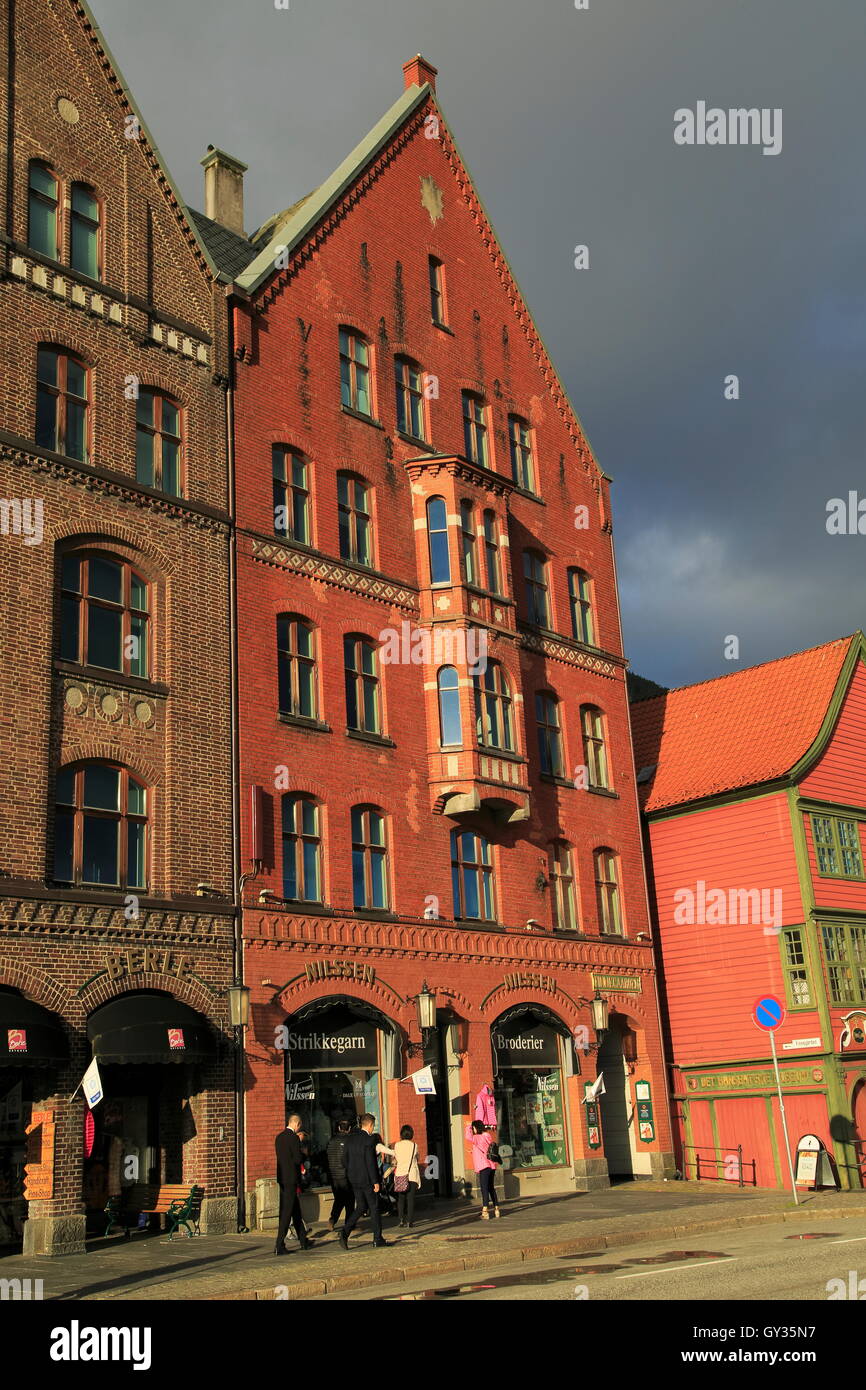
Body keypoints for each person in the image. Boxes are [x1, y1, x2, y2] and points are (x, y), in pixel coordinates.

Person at [339, 1113, 391, 1250]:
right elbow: (370, 1162)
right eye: (373, 1126)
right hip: (367, 1179)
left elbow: (344, 1159)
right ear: (370, 1125)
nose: (372, 1129)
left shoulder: (350, 1139)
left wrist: (351, 1171)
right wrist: (375, 1181)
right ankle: (377, 1238)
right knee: (374, 1208)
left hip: (354, 1179)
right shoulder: (369, 1140)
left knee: (361, 1207)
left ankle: (344, 1232)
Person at [274, 1112, 314, 1255]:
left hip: (282, 1178)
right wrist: (303, 1153)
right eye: (299, 1126)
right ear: (296, 1124)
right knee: (287, 1212)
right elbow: (297, 1159)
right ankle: (279, 1244)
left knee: (295, 1211)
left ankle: (303, 1240)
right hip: (291, 1179)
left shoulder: (279, 1137)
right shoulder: (294, 1138)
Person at [386, 1124, 421, 1228]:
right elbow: (417, 1158)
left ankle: (400, 1220)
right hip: (412, 1175)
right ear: (411, 1134)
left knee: (401, 1199)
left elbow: (395, 1159)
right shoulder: (415, 1145)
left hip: (401, 1174)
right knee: (410, 1199)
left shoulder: (397, 1145)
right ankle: (409, 1221)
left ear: (401, 1134)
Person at [466, 1119, 501, 1218]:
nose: (473, 1130)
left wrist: (468, 1126)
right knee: (491, 1187)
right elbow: (485, 1149)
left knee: (484, 1188)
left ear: (475, 1128)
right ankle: (497, 1209)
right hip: (492, 1165)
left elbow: (468, 1137)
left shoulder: (477, 1137)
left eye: (473, 1128)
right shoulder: (487, 1136)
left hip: (484, 1166)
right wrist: (473, 1152)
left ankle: (485, 1210)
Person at [326, 1120, 355, 1230]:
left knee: (339, 1199)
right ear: (349, 1129)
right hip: (345, 1175)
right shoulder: (349, 1140)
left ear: (338, 1128)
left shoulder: (331, 1141)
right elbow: (351, 1159)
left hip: (333, 1176)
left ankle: (332, 1219)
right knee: (349, 1201)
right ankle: (349, 1224)